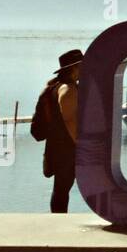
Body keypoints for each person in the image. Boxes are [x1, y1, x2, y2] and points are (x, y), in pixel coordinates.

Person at [38, 49, 82, 213]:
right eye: (82, 66)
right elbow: (69, 120)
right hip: (66, 147)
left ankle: (58, 219)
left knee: (62, 188)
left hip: (58, 145)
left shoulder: (60, 86)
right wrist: (80, 145)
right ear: (75, 68)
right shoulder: (68, 90)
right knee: (62, 188)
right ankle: (58, 221)